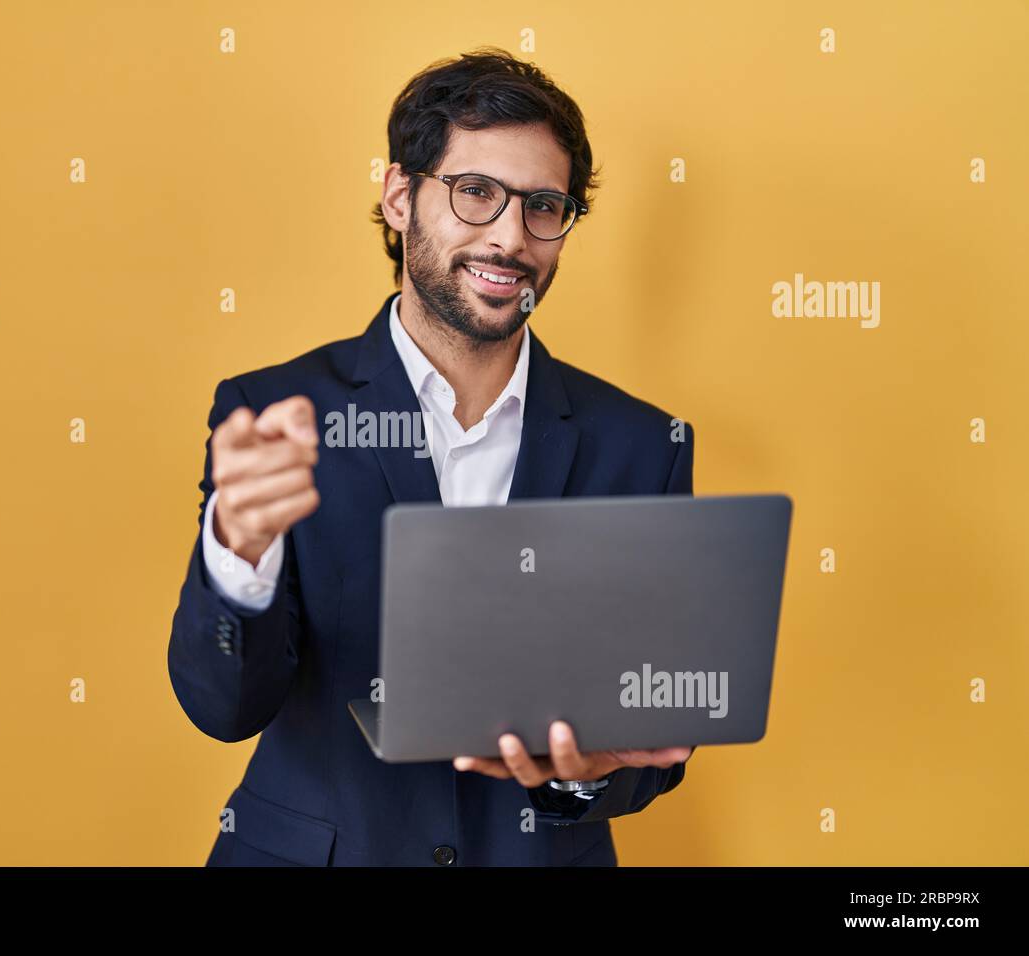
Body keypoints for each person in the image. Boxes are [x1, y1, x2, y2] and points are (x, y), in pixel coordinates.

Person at [168, 47, 695, 866]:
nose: (510, 239)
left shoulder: (641, 446)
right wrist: (237, 553)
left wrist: (587, 777)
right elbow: (222, 706)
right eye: (476, 193)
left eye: (544, 206)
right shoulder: (271, 415)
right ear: (400, 197)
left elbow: (649, 745)